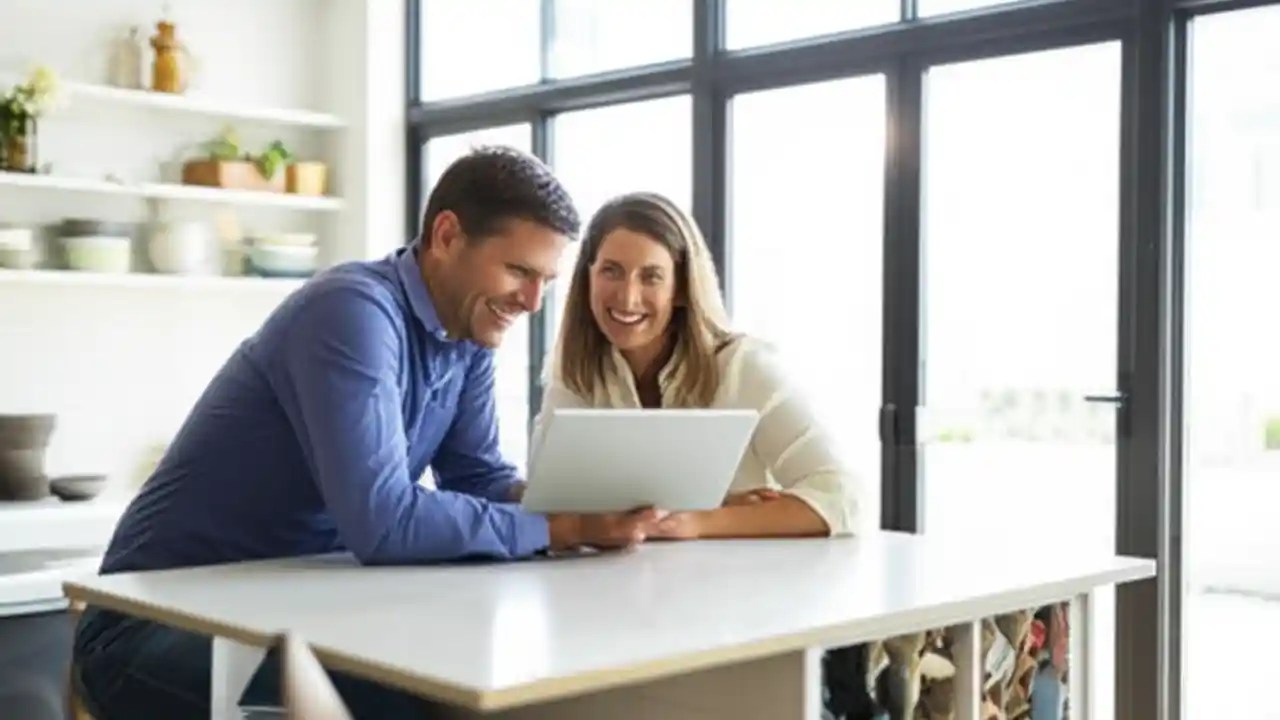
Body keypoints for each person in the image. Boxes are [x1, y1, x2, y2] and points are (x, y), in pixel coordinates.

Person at [72, 147, 659, 720]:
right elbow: (382, 521)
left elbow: (476, 476)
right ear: (447, 236)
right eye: (518, 271)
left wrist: (574, 503)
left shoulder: (470, 333)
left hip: (294, 609)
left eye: (545, 282)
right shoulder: (351, 311)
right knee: (390, 706)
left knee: (456, 688)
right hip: (154, 625)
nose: (532, 301)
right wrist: (562, 527)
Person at [535, 191, 862, 540]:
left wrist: (699, 521)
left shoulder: (744, 367)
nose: (627, 297)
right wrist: (716, 504)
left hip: (732, 586)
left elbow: (843, 496)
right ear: (588, 278)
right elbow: (552, 504)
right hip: (611, 586)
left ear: (680, 289)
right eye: (611, 271)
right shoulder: (573, 373)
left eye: (651, 277)